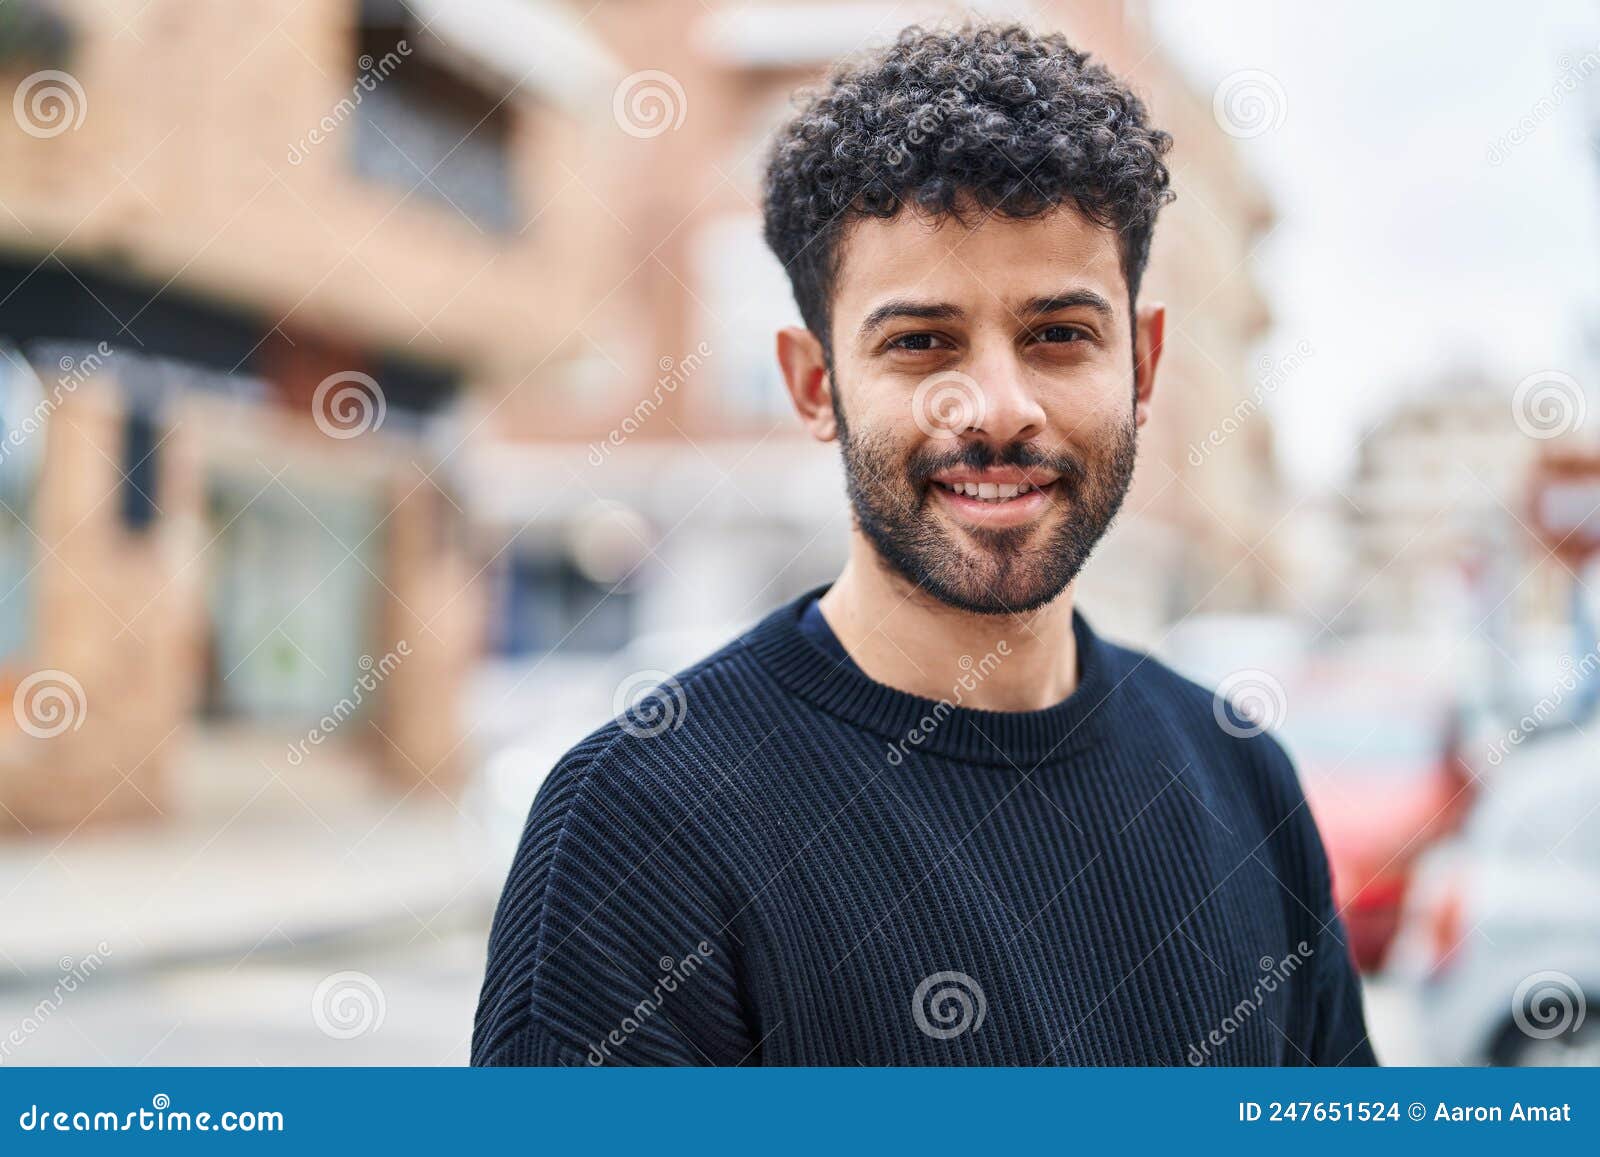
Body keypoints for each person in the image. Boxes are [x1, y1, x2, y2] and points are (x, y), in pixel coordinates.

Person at [473, 22, 1375, 1067]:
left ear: (1142, 362)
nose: (995, 407)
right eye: (919, 342)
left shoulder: (1240, 778)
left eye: (1058, 335)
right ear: (815, 383)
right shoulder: (641, 831)